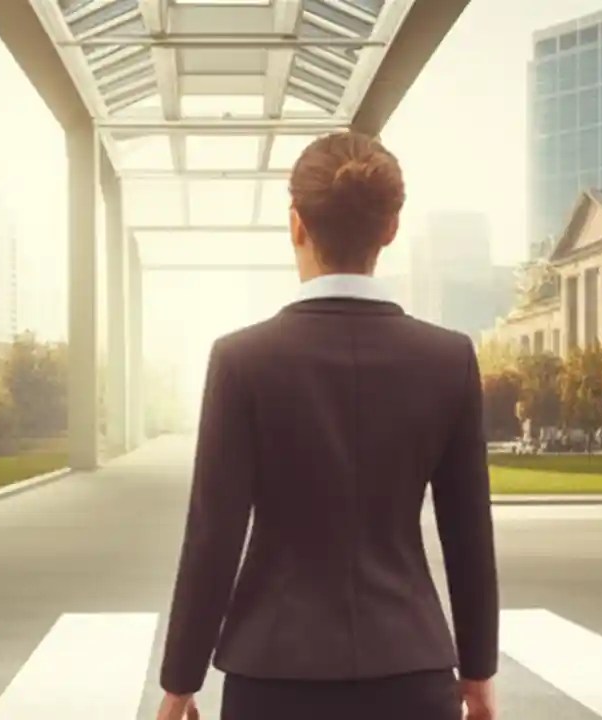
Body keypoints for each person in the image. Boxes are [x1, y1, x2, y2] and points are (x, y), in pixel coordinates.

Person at [155, 131, 499, 720]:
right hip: (411, 669)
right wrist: (479, 673)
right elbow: (468, 531)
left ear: (296, 224)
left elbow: (214, 533)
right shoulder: (448, 358)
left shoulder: (242, 359)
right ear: (390, 229)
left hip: (274, 673)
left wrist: (180, 681)